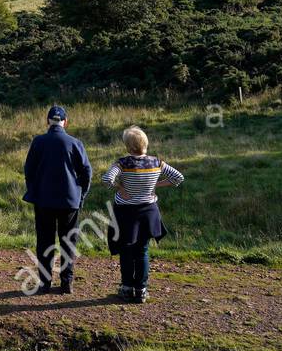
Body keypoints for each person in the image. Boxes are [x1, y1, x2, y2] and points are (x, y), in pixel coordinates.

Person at [101, 125, 183, 304]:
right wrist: (156, 185)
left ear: (128, 146)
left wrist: (120, 187)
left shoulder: (122, 163)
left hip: (126, 213)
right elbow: (178, 177)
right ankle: (141, 291)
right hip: (148, 212)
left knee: (126, 250)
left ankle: (126, 288)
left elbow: (107, 179)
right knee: (143, 250)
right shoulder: (156, 162)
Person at [22, 104, 92, 294]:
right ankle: (66, 282)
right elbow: (87, 171)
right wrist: (81, 195)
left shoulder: (38, 142)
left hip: (43, 200)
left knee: (45, 240)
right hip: (69, 201)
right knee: (68, 241)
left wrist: (34, 191)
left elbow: (29, 170)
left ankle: (45, 282)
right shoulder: (75, 143)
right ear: (65, 122)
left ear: (47, 122)